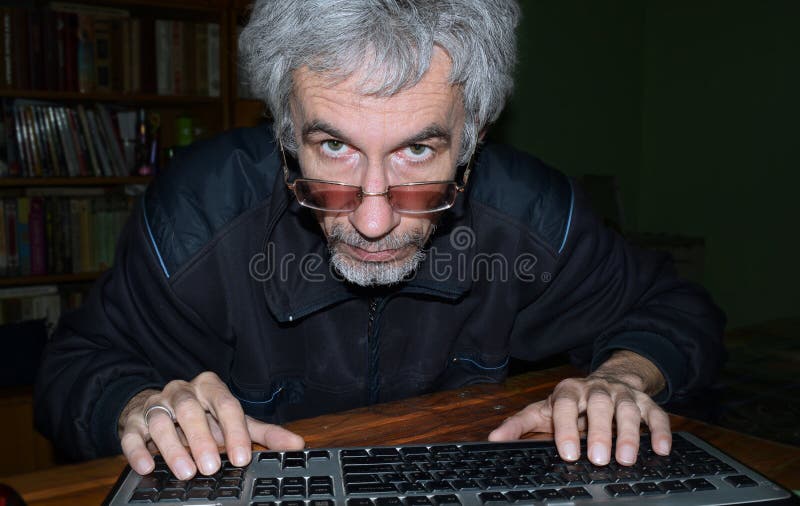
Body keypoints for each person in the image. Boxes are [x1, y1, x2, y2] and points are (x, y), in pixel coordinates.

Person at [35, 0, 724, 482]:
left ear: (474, 136)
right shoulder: (197, 210)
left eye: (418, 152)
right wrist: (135, 405)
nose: (372, 220)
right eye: (331, 145)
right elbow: (74, 366)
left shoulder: (531, 211)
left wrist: (622, 379)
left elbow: (676, 312)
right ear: (284, 133)